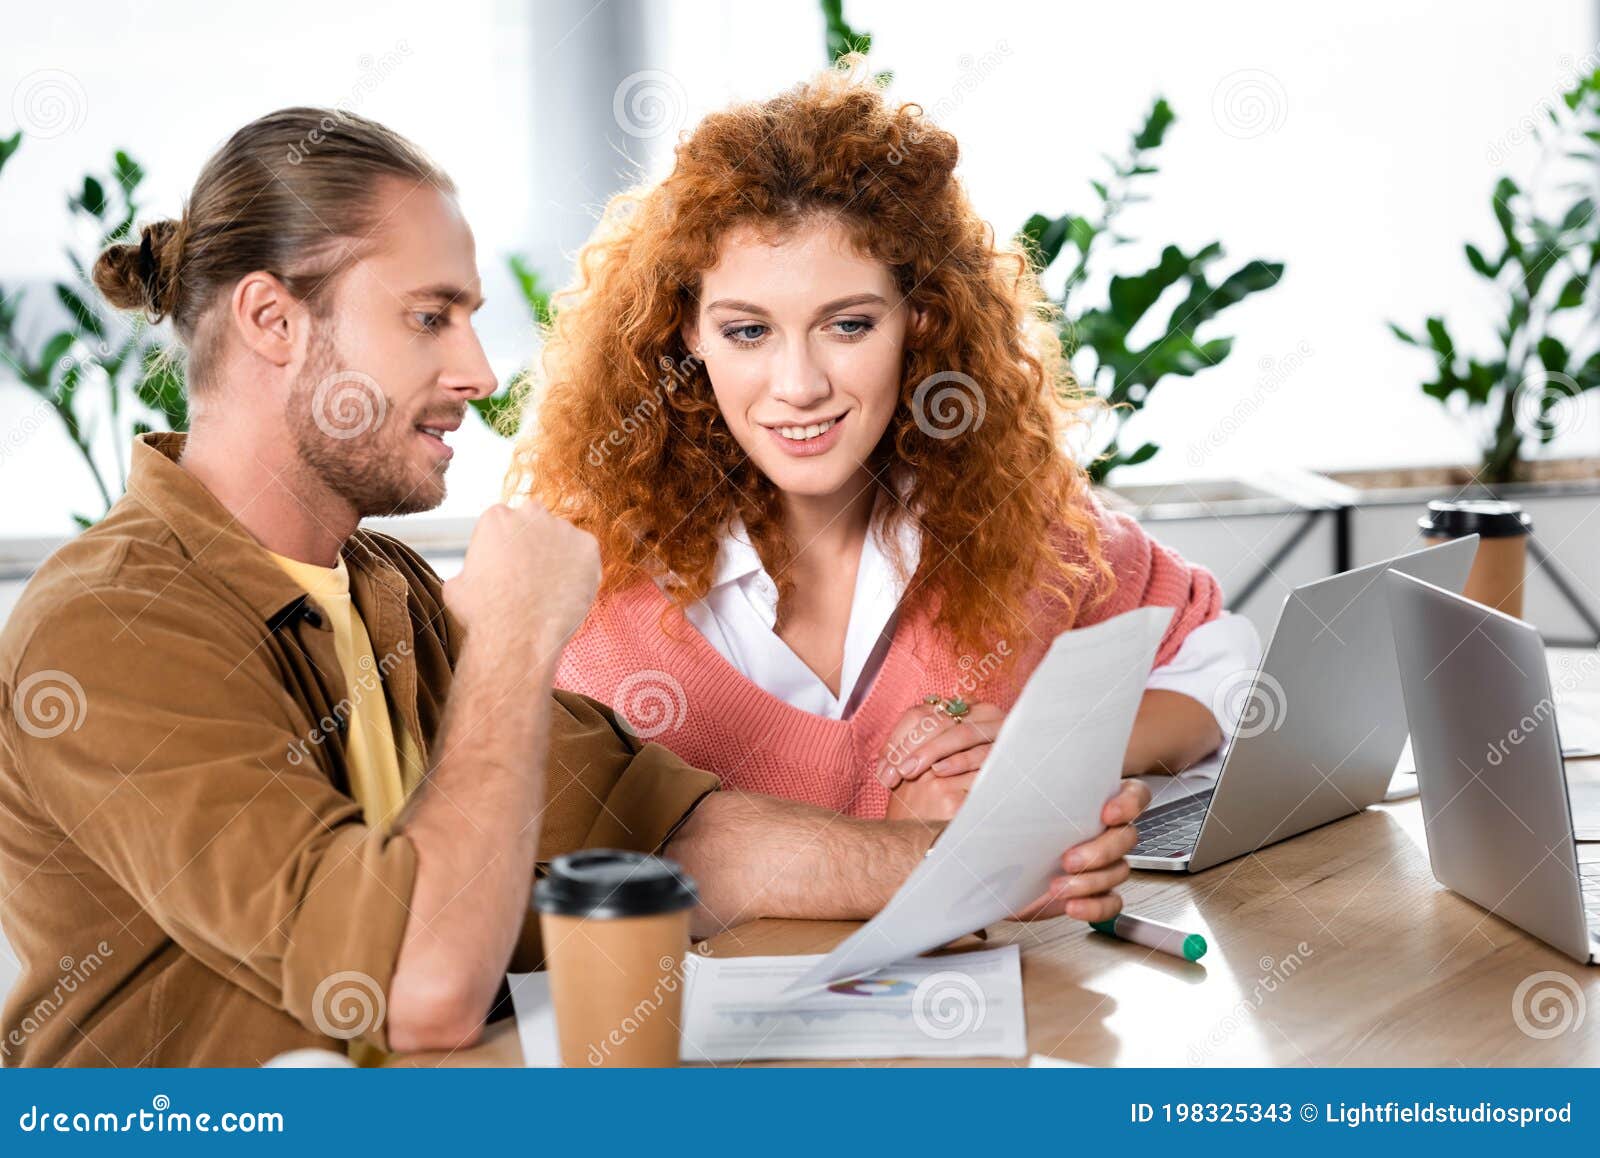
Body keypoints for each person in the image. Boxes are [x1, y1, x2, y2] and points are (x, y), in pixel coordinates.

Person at [0, 107, 1146, 1068]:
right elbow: (415, 989)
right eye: (430, 316)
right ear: (271, 321)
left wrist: (988, 863)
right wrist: (509, 636)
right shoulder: (114, 624)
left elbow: (669, 842)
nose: (479, 372)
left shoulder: (379, 585)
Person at [515, 64, 1260, 826]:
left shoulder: (1019, 527)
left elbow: (1218, 668)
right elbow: (541, 859)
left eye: (849, 326)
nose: (799, 385)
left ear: (922, 320)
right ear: (688, 335)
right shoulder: (587, 584)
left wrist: (1049, 749)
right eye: (748, 331)